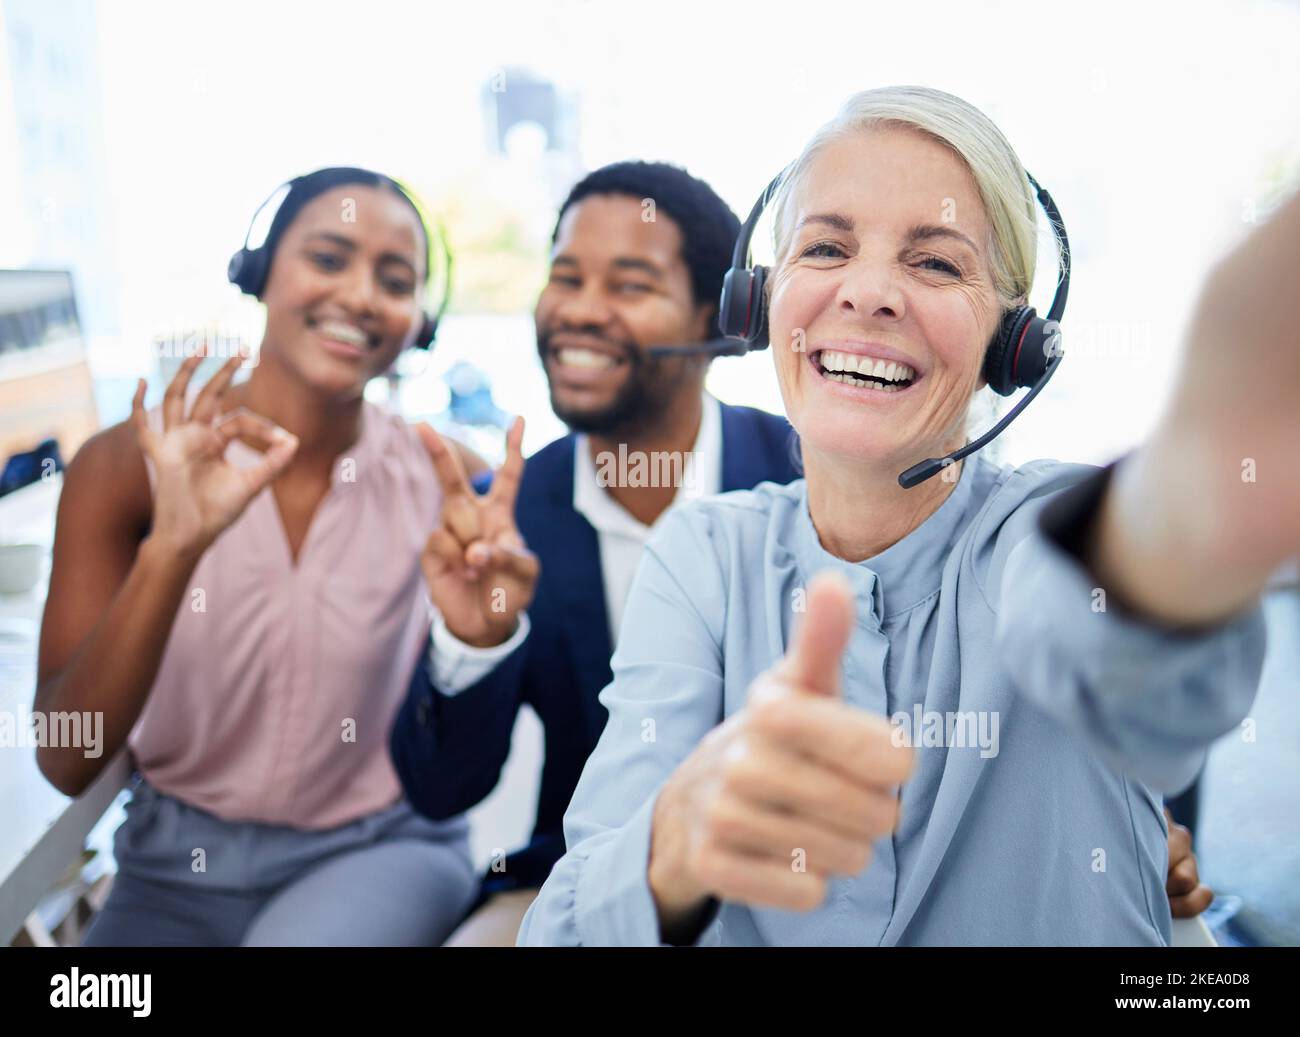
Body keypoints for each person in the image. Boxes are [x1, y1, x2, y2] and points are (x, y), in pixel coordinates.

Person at [518, 87, 1283, 946]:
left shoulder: (1043, 529)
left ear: (1013, 341)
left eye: (935, 263)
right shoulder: (703, 556)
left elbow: (1139, 658)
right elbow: (563, 931)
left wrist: (1201, 495)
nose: (870, 291)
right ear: (758, 303)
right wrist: (674, 848)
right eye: (827, 246)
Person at [36, 167, 495, 946]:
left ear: (420, 319)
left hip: (377, 851)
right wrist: (174, 548)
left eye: (393, 279)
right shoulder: (125, 466)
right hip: (172, 865)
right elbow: (68, 756)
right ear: (259, 275)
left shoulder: (444, 473)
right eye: (327, 258)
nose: (357, 294)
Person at [390, 162, 801, 945]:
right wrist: (477, 637)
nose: (580, 311)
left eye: (631, 284)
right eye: (565, 277)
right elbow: (442, 789)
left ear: (722, 322)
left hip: (789, 884)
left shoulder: (802, 474)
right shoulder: (511, 512)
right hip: (579, 879)